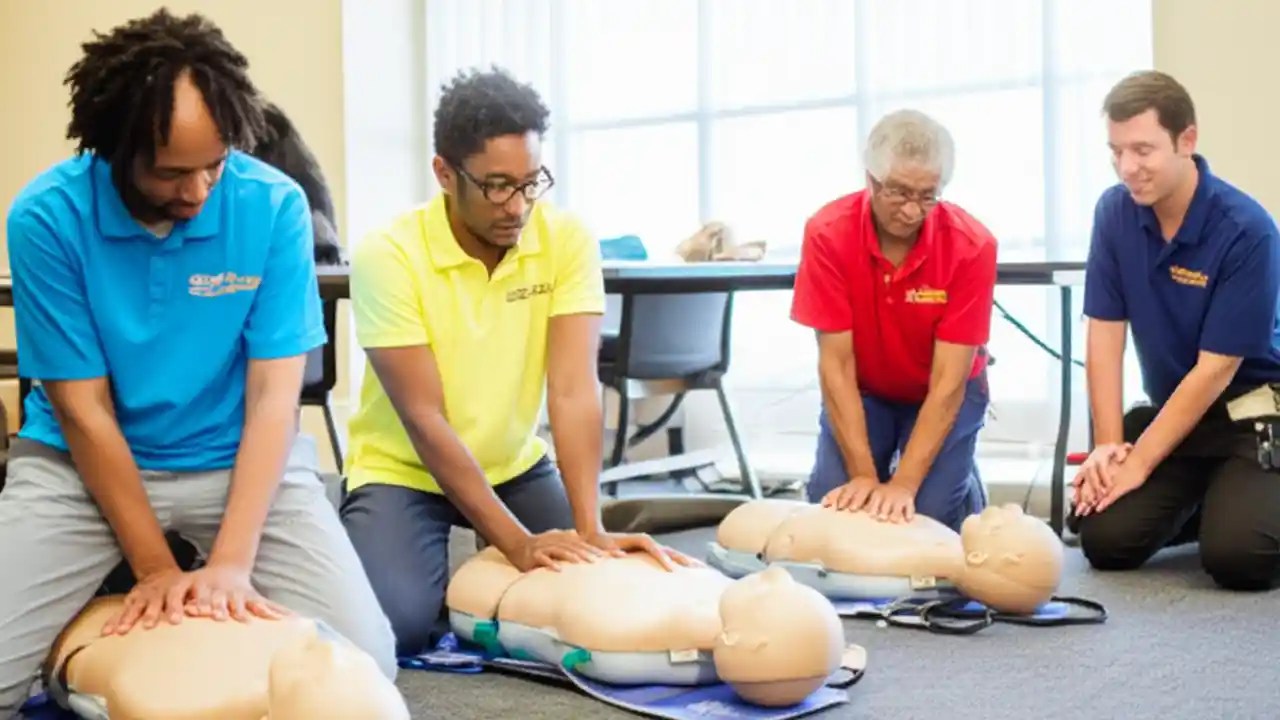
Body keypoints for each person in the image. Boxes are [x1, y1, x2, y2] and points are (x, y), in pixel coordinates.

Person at [0, 10, 396, 716]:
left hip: (235, 459)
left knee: (368, 658)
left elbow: (277, 398)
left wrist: (232, 568)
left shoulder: (274, 206)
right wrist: (154, 571)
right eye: (172, 172)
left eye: (214, 164)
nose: (198, 191)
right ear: (113, 149)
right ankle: (82, 629)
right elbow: (82, 411)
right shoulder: (45, 219)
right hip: (77, 466)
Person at [339, 67, 694, 657]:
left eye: (532, 183)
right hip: (404, 469)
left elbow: (575, 390)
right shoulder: (388, 254)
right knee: (394, 628)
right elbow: (424, 419)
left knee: (595, 581)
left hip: (513, 464)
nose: (518, 206)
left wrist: (591, 527)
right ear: (445, 174)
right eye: (498, 186)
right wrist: (516, 543)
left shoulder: (566, 240)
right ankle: (372, 549)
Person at [1070, 70, 1280, 591]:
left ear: (1187, 140)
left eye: (1142, 150)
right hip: (1177, 420)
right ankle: (1219, 499)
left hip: (1252, 418)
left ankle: (1238, 503)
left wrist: (1138, 466)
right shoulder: (1114, 212)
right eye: (1115, 151)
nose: (1126, 168)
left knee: (1240, 560)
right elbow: (1104, 331)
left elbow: (1215, 371)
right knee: (1104, 541)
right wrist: (1109, 448)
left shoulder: (1247, 230)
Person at [790, 108, 998, 533]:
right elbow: (837, 365)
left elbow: (949, 382)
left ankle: (965, 489)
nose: (911, 211)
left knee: (923, 518)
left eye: (927, 195)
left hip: (943, 391)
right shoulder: (828, 233)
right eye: (899, 192)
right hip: (867, 388)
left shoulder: (972, 245)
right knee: (836, 506)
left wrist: (903, 484)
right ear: (870, 179)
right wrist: (865, 478)